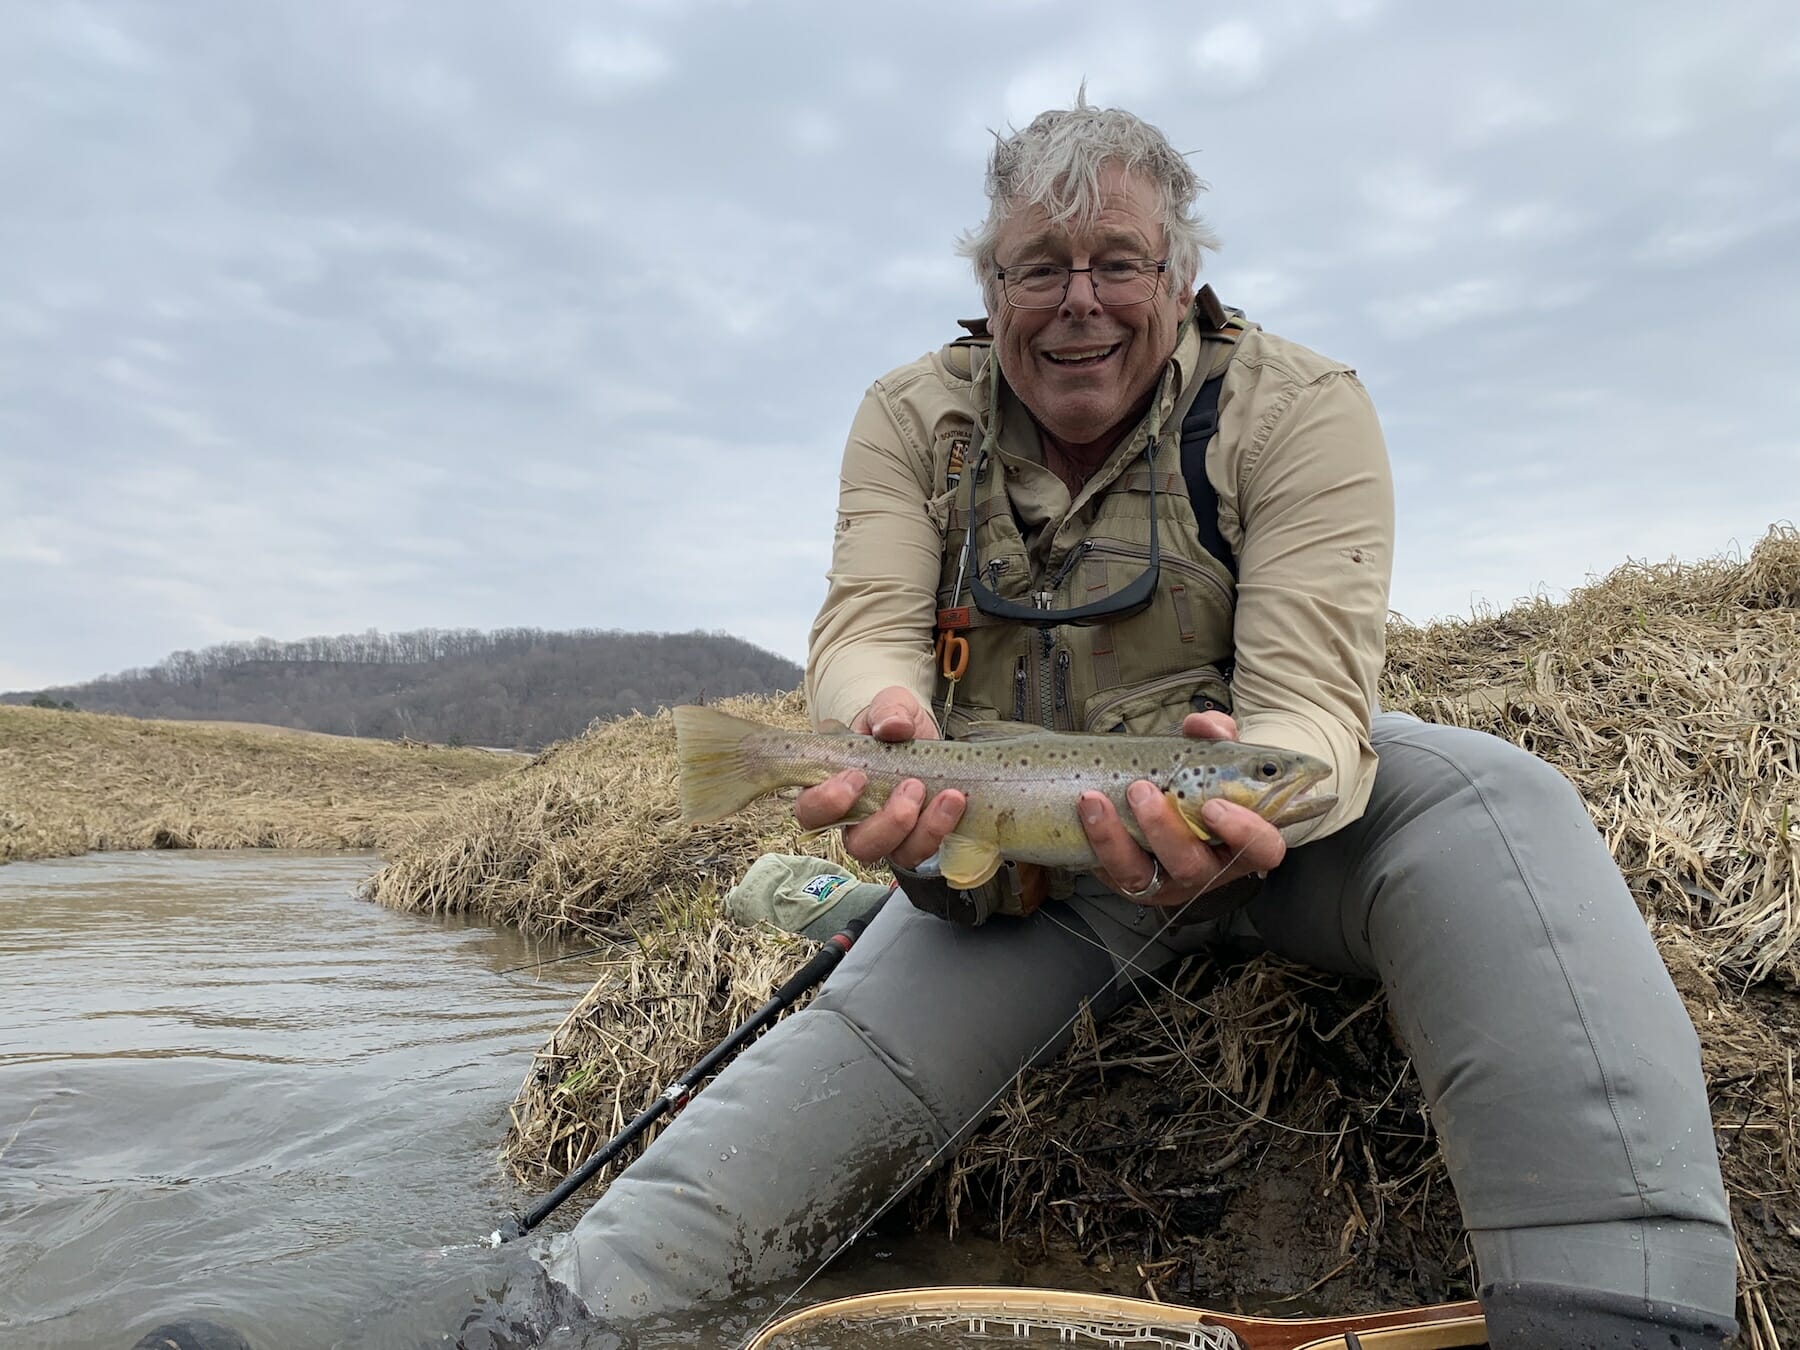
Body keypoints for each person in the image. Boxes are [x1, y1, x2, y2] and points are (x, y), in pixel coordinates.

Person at [544, 97, 1737, 1349]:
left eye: (1118, 262)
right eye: (1040, 269)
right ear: (990, 284)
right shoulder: (911, 417)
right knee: (676, 1234)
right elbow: (866, 630)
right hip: (1024, 877)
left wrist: (1254, 796)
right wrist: (878, 724)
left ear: (1181, 274)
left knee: (1495, 797)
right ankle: (554, 1319)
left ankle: (1624, 1313)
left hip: (1284, 851)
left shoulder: (1299, 406)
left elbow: (1313, 709)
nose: (1081, 302)